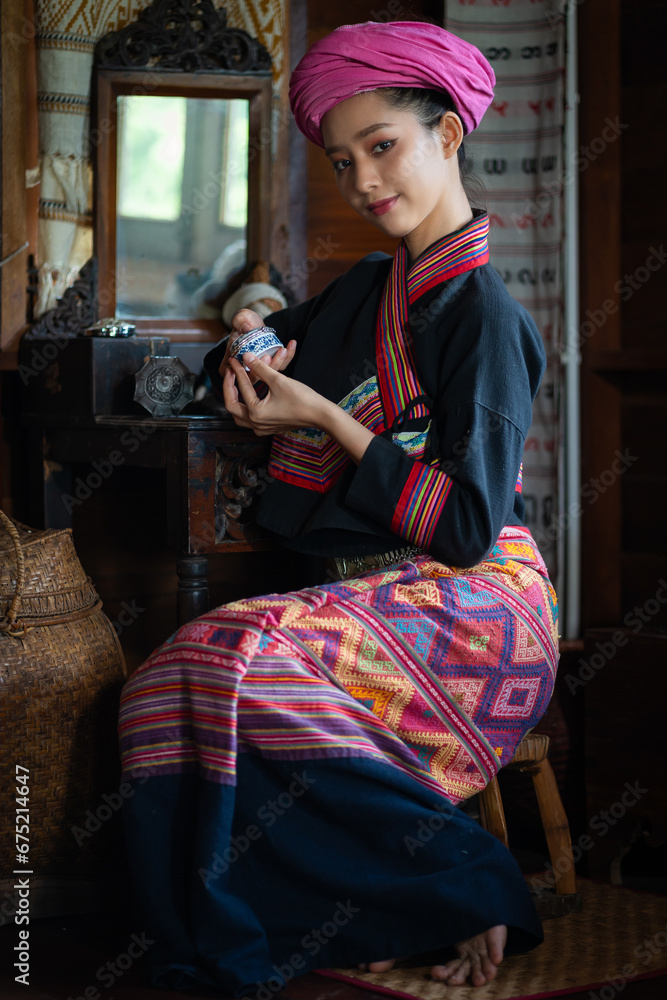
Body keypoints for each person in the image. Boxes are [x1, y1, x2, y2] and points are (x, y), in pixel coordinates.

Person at [118, 20, 559, 995]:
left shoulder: (488, 319)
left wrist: (318, 413)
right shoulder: (367, 286)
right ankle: (229, 935)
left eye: (382, 146)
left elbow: (463, 528)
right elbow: (272, 331)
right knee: (162, 686)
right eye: (343, 159)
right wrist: (252, 332)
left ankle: (468, 883)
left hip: (475, 603)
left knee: (227, 658)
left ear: (447, 136)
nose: (363, 181)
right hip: (364, 592)